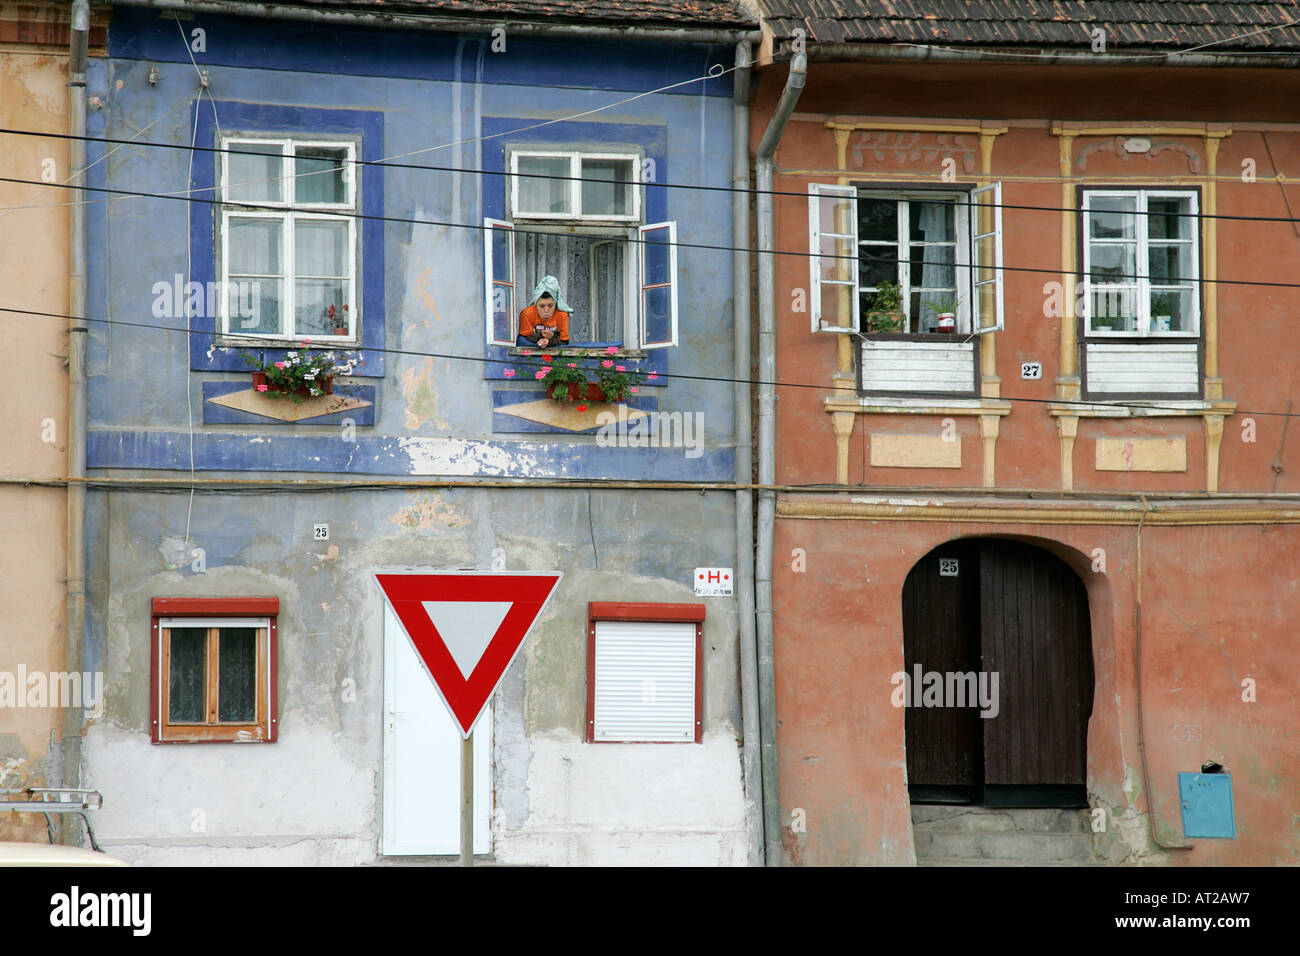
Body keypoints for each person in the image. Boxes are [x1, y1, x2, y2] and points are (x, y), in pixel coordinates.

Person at [516, 275, 571, 349]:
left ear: (555, 304)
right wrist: (541, 335)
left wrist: (550, 340)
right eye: (542, 306)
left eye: (550, 306)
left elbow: (564, 341)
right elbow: (523, 340)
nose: (546, 310)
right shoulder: (527, 314)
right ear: (536, 305)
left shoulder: (562, 315)